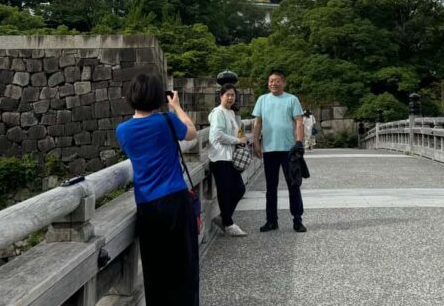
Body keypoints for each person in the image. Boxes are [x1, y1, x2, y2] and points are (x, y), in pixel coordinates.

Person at [115, 73, 199, 306]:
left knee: (155, 269)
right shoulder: (166, 121)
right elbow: (191, 132)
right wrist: (177, 107)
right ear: (158, 96)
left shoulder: (122, 130)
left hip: (147, 206)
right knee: (184, 266)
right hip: (175, 200)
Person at [252, 69, 307, 233]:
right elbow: (257, 123)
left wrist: (299, 142)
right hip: (269, 149)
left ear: (283, 82)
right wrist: (255, 142)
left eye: (277, 81)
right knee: (271, 187)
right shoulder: (262, 99)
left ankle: (297, 220)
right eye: (270, 81)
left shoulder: (292, 99)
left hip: (289, 150)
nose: (273, 84)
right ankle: (271, 220)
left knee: (293, 184)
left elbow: (298, 121)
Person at [208, 83, 248, 237]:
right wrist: (237, 141)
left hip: (230, 158)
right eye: (227, 95)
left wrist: (241, 139)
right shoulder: (218, 113)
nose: (230, 98)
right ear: (221, 96)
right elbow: (216, 136)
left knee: (239, 189)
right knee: (225, 192)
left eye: (232, 95)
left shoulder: (230, 113)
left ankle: (223, 218)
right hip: (219, 158)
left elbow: (236, 132)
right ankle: (229, 224)